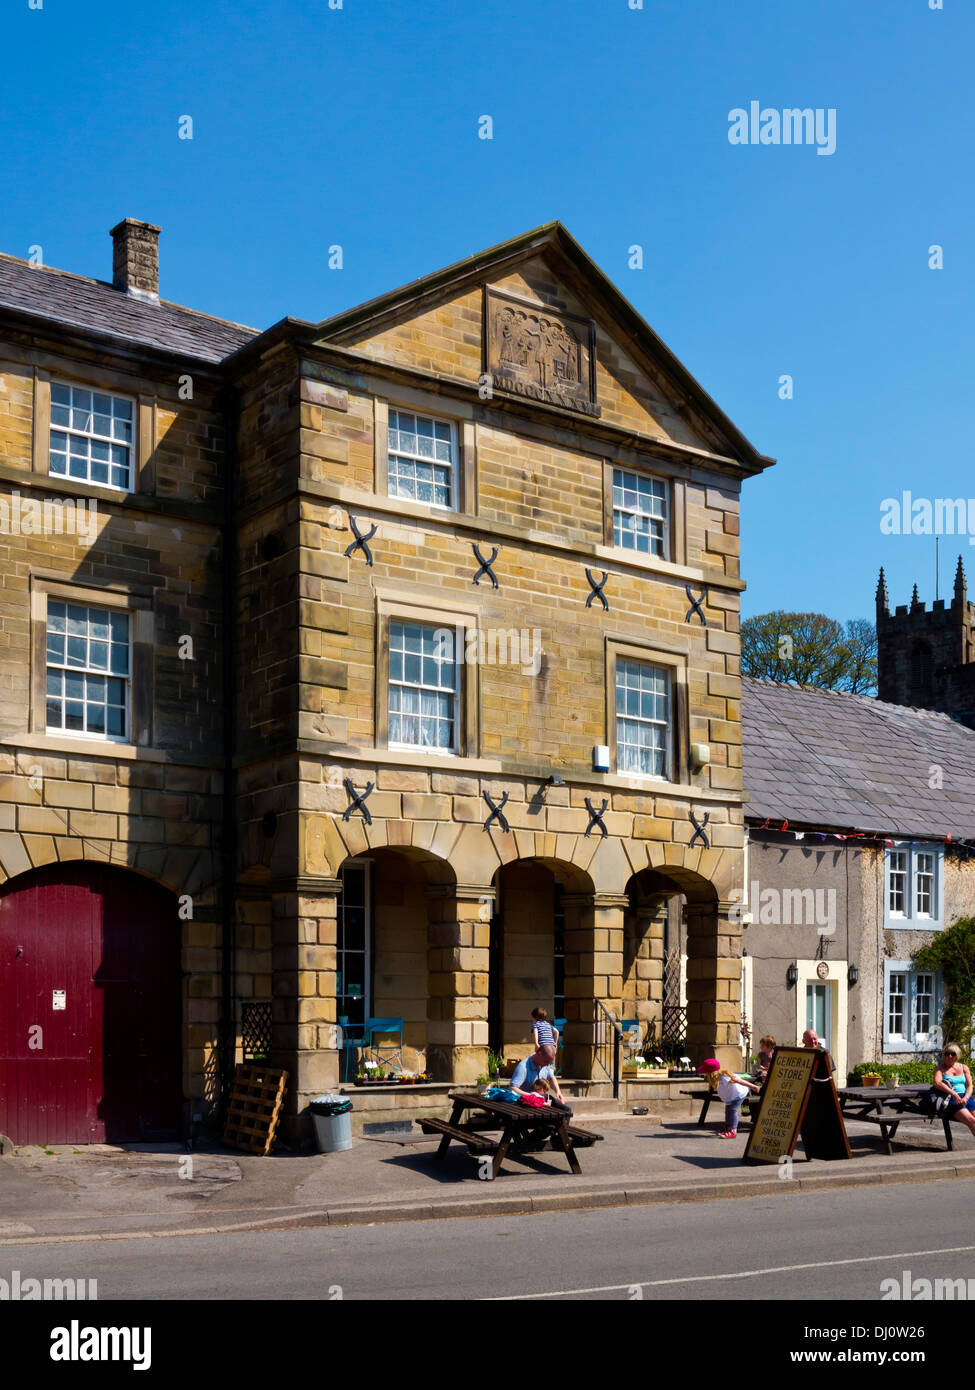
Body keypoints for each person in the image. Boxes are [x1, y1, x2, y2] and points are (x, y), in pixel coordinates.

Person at [700, 1058, 761, 1138]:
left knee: (732, 1110)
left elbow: (739, 1080)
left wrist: (753, 1086)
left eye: (705, 1072)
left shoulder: (724, 1076)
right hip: (730, 1096)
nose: (705, 1074)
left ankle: (733, 1130)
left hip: (738, 1094)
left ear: (710, 1072)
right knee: (728, 1110)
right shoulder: (715, 1077)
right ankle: (728, 1127)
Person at [932, 1044, 975, 1137]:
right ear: (944, 1055)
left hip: (967, 1098)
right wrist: (954, 1094)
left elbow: (970, 1086)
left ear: (957, 1055)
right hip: (951, 1099)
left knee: (973, 1122)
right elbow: (937, 1083)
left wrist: (966, 1097)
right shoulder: (940, 1069)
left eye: (953, 1054)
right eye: (947, 1054)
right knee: (972, 1120)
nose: (950, 1056)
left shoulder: (964, 1068)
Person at [509, 1044, 570, 1109]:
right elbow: (512, 1088)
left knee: (566, 1108)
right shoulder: (523, 1067)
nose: (547, 1064)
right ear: (539, 1054)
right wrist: (533, 1096)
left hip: (540, 1097)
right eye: (546, 1061)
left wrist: (558, 1092)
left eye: (549, 1062)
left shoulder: (545, 1064)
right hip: (526, 1101)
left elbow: (551, 1077)